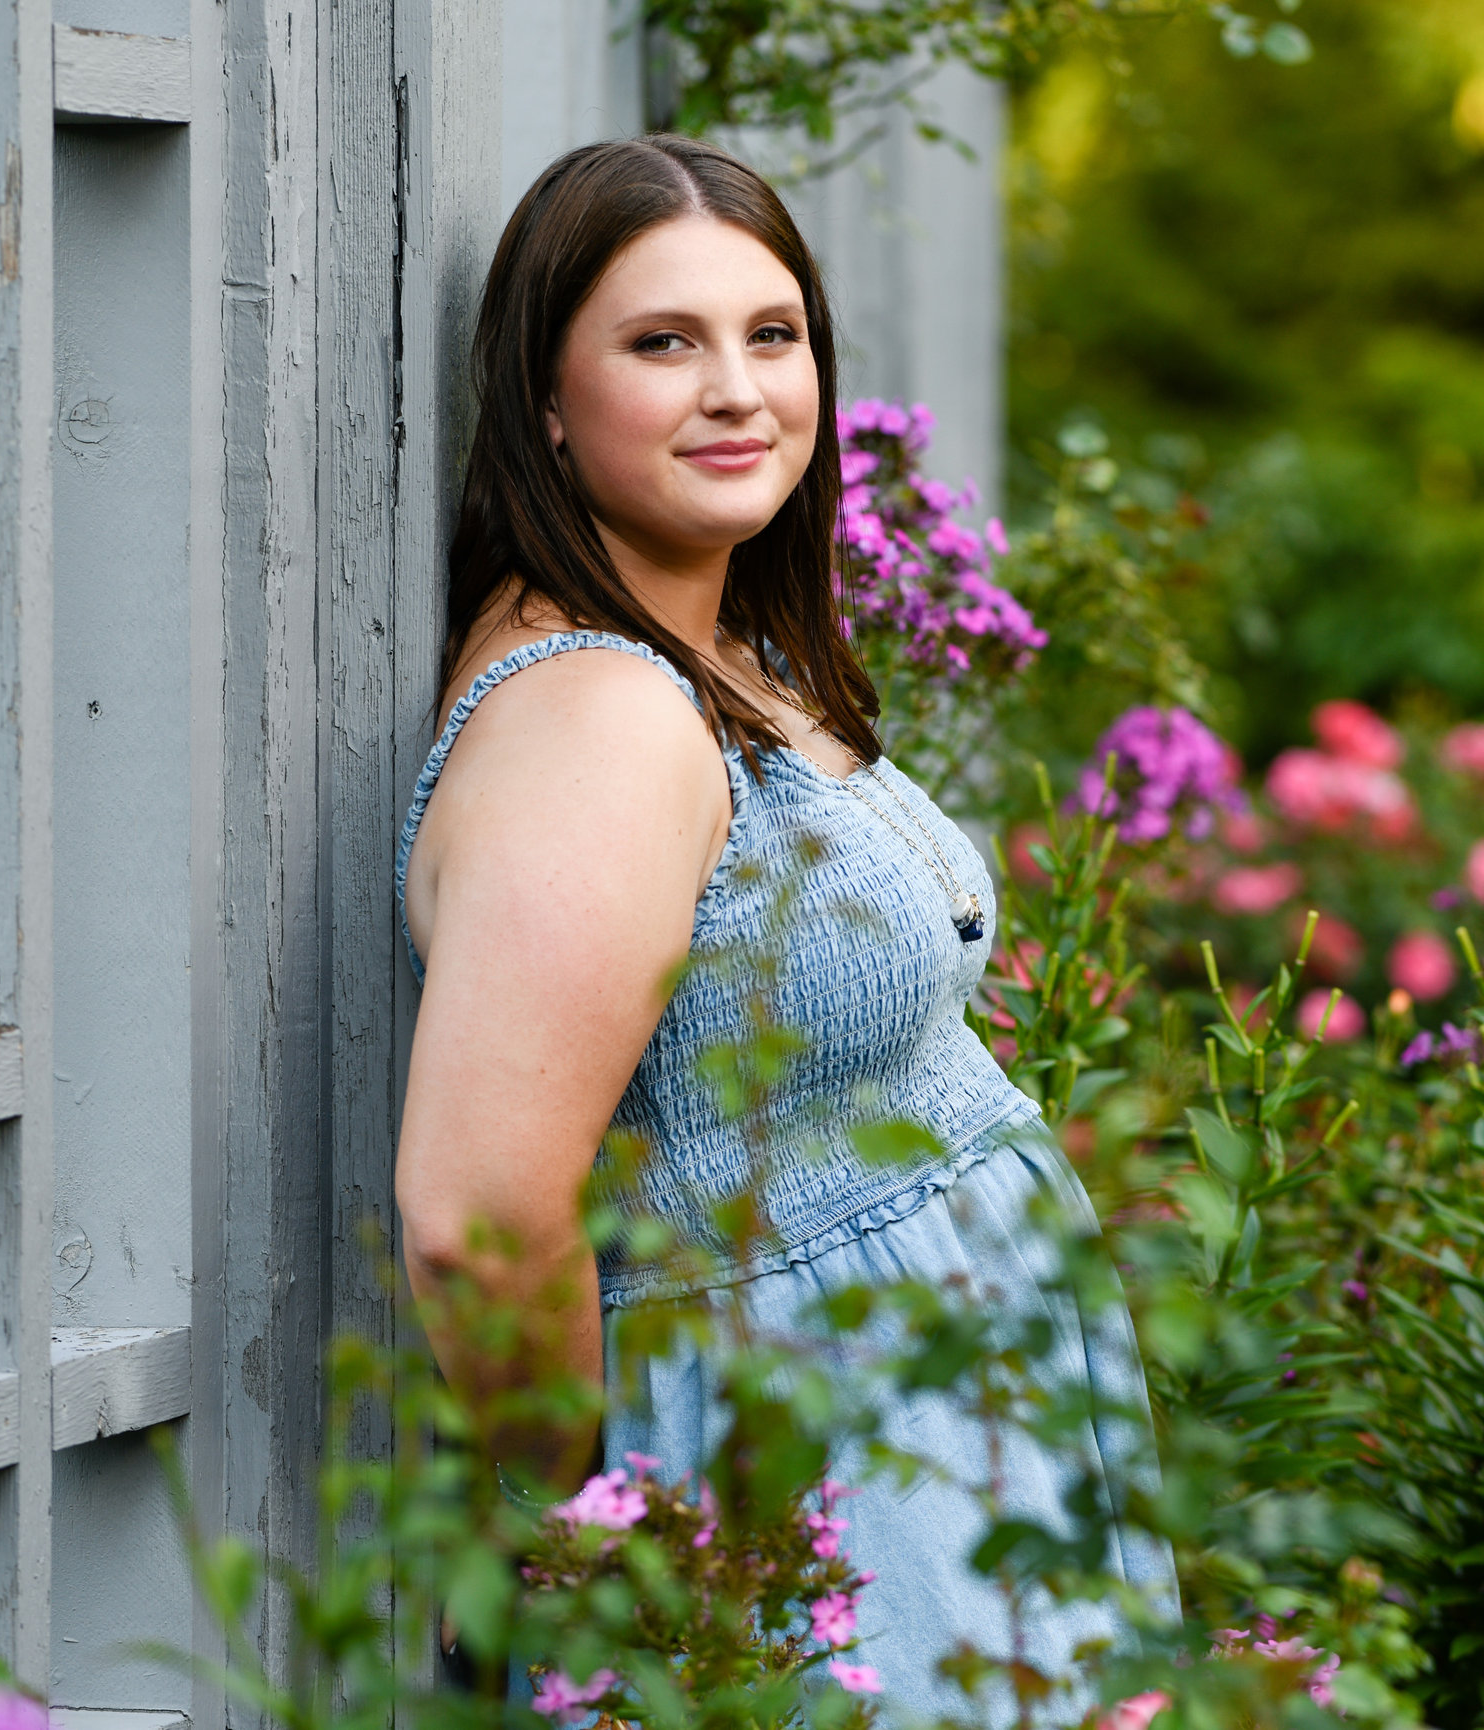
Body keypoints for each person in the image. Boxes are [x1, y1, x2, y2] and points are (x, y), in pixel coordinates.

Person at [392, 134, 1175, 1719]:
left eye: (773, 332)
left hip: (927, 1449)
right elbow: (478, 1209)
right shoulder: (600, 719)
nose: (738, 390)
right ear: (546, 401)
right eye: (662, 342)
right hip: (811, 1480)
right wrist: (583, 1524)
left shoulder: (715, 647)